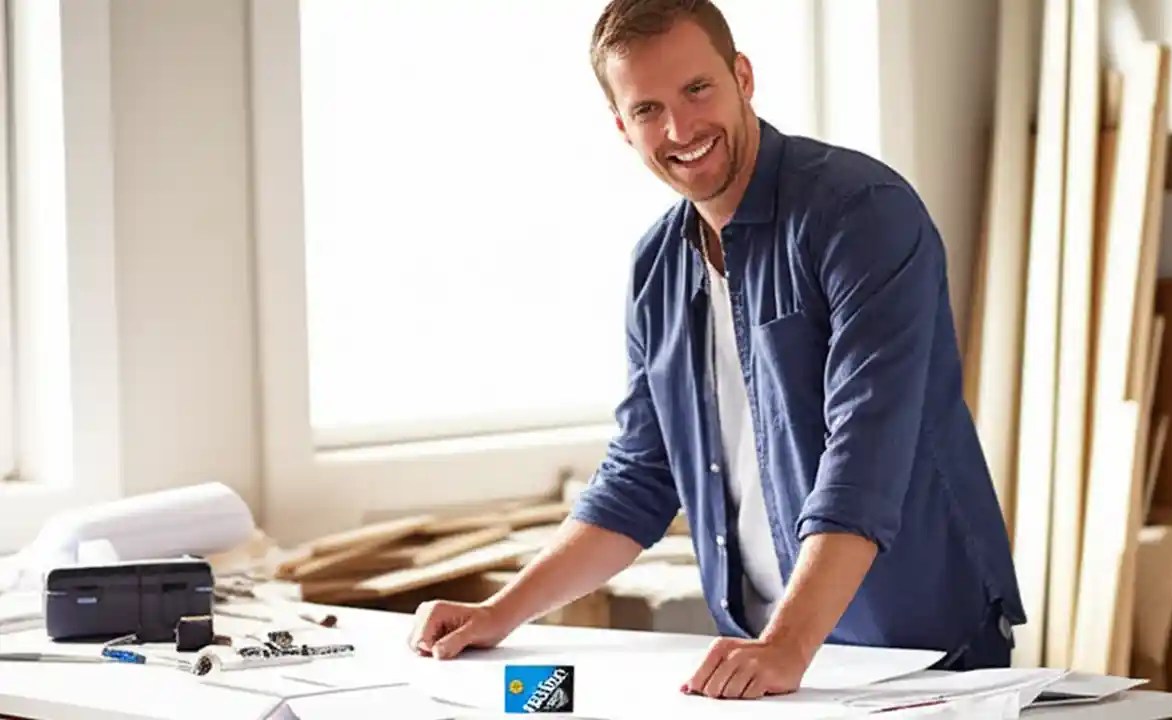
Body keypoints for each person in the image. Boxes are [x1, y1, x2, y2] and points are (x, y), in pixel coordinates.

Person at [408, 0, 1024, 700]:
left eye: (697, 89)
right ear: (622, 127)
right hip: (762, 657)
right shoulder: (657, 268)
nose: (680, 129)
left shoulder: (862, 213)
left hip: (916, 653)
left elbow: (867, 452)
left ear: (743, 77)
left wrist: (787, 645)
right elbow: (639, 479)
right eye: (648, 110)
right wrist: (499, 613)